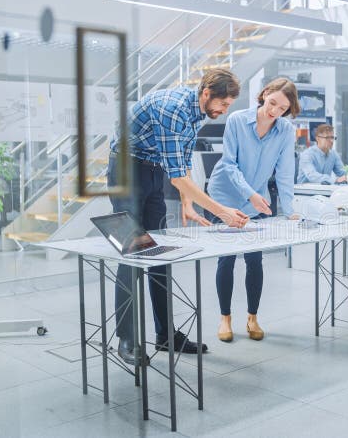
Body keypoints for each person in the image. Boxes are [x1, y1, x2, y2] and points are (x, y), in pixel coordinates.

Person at [107, 69, 250, 365]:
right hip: (123, 169)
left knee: (159, 254)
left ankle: (165, 335)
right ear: (207, 93)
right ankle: (127, 338)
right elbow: (178, 177)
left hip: (152, 169)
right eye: (223, 105)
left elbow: (181, 162)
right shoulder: (172, 109)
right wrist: (221, 211)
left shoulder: (197, 111)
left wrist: (188, 202)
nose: (224, 112)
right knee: (131, 253)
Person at [206, 77, 301, 342]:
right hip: (224, 196)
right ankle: (225, 319)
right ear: (265, 94)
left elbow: (284, 172)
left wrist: (289, 209)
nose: (274, 111)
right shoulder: (237, 120)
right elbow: (229, 163)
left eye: (282, 109)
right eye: (272, 103)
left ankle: (252, 318)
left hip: (255, 200)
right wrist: (251, 193)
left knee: (254, 259)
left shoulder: (284, 131)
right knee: (226, 258)